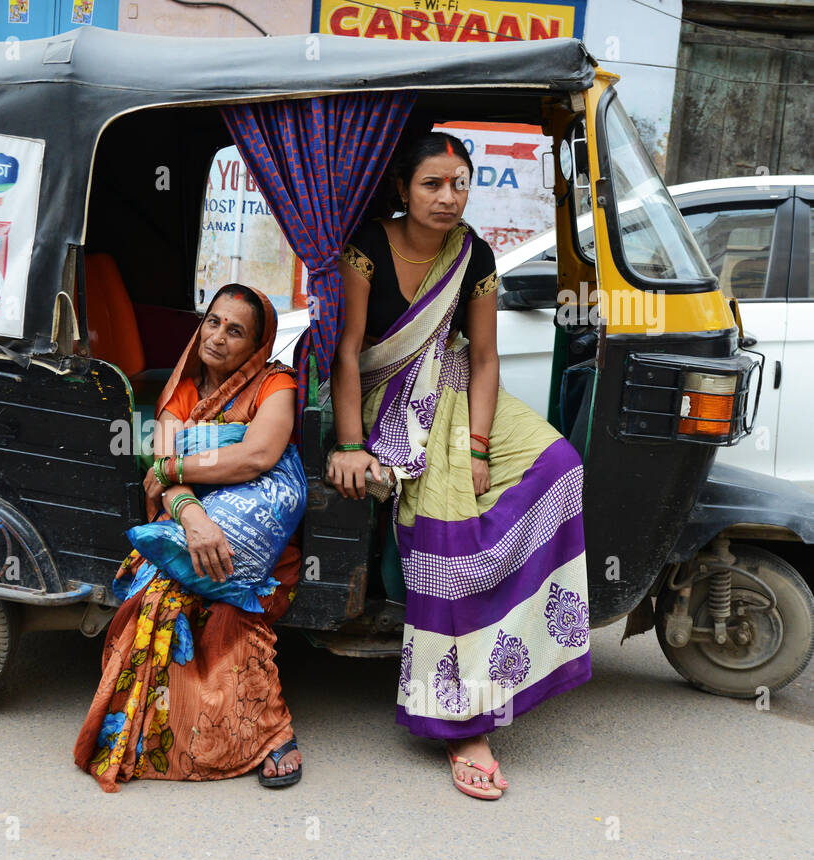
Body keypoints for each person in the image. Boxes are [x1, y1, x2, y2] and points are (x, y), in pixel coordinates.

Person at [327, 132, 592, 800]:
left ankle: (515, 642)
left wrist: (477, 443)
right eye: (433, 184)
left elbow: (482, 357)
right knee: (450, 526)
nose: (449, 197)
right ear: (402, 189)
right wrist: (353, 445)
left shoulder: (473, 250)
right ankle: (464, 720)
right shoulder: (366, 246)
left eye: (460, 183)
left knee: (561, 465)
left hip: (456, 387)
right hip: (393, 396)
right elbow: (350, 353)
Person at [74, 283, 306, 792]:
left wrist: (177, 468)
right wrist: (193, 516)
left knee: (228, 604)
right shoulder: (182, 389)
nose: (218, 337)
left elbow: (258, 457)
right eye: (214, 322)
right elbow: (161, 467)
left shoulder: (276, 385)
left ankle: (269, 732)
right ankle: (157, 729)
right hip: (187, 529)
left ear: (257, 347)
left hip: (259, 544)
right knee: (155, 601)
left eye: (236, 330)